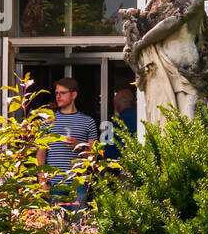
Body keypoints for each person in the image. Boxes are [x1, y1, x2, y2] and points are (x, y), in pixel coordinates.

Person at [37, 77, 98, 213]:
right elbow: (41, 153)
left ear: (74, 95)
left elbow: (94, 157)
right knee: (54, 227)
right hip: (54, 184)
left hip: (79, 184)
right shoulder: (48, 122)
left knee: (78, 227)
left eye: (62, 93)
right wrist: (42, 181)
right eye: (57, 93)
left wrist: (80, 146)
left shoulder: (88, 122)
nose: (58, 96)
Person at [103, 87, 137, 162]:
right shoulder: (144, 120)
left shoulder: (115, 125)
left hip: (122, 168)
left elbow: (108, 154)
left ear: (116, 105)